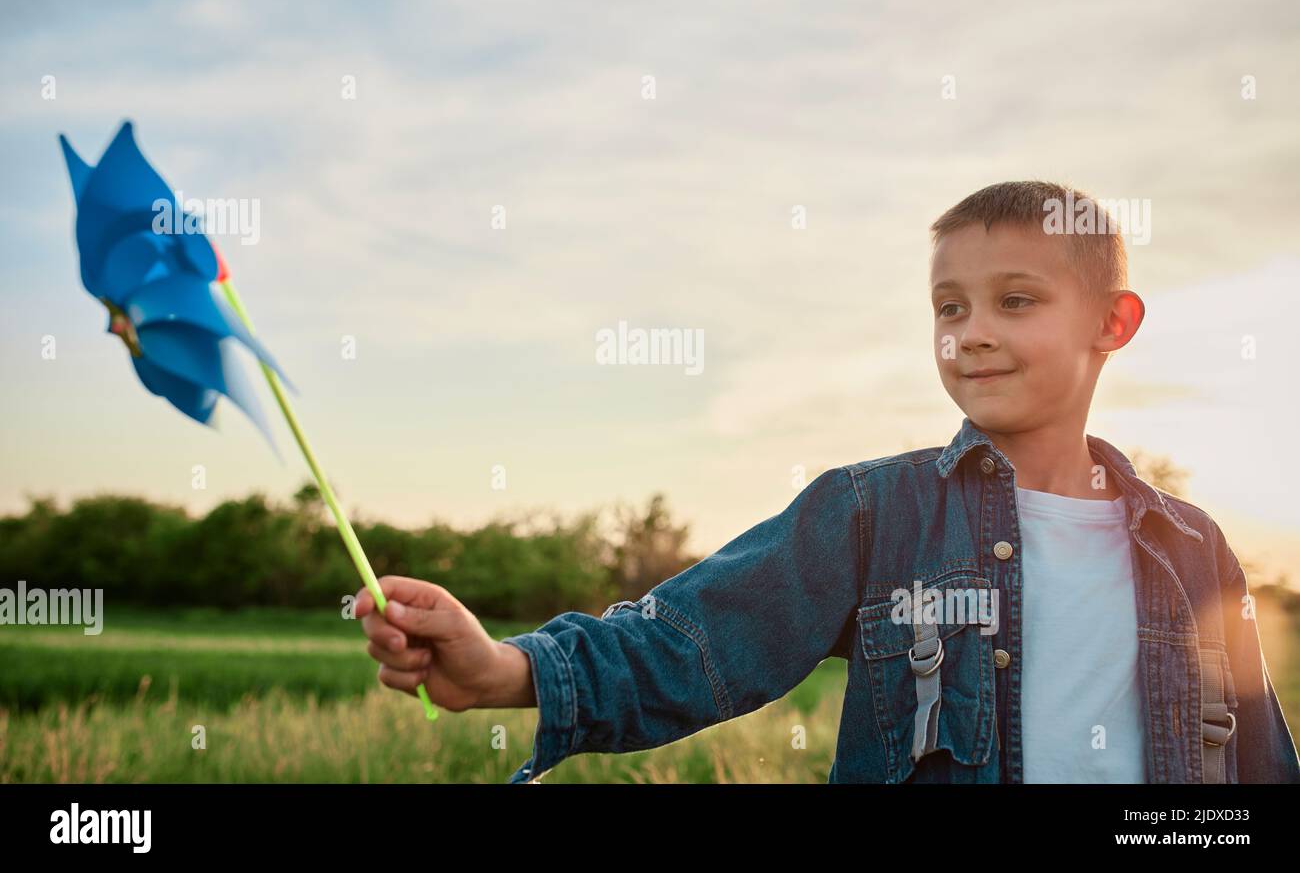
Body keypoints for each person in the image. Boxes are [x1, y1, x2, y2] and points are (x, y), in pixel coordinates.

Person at [355, 181, 1300, 783]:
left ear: (1113, 322)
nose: (969, 331)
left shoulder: (1190, 545)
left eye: (1015, 301)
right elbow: (694, 642)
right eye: (948, 306)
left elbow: (1256, 757)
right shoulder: (873, 511)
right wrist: (507, 670)